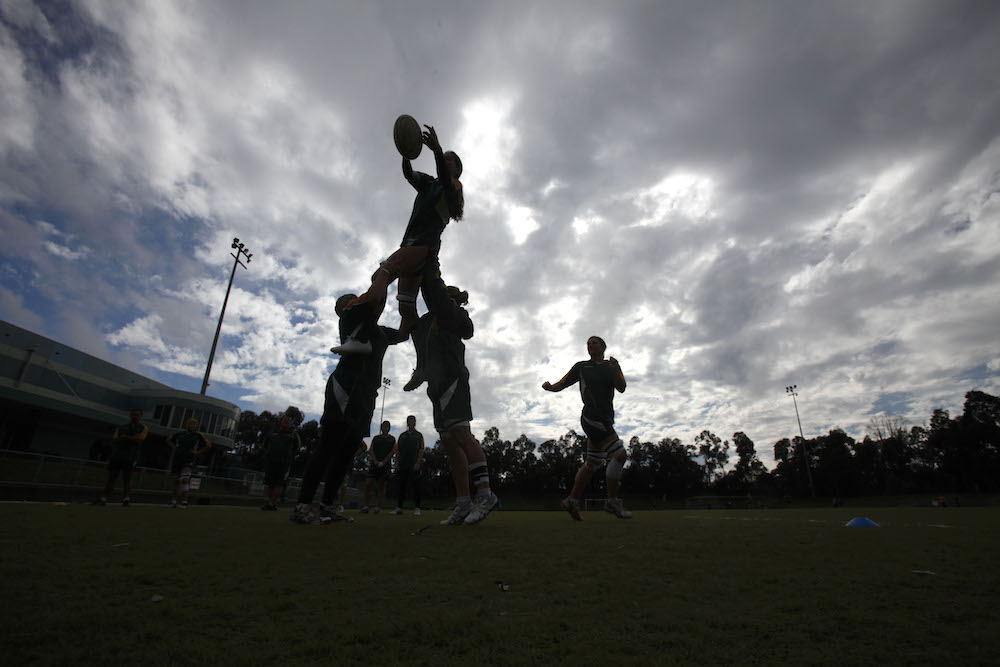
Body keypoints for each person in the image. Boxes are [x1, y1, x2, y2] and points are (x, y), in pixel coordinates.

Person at [331, 124, 464, 357]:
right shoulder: (429, 183)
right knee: (406, 308)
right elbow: (408, 174)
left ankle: (360, 335)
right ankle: (417, 357)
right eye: (445, 158)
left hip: (422, 246)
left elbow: (444, 177)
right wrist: (406, 153)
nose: (445, 160)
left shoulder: (453, 186)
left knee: (381, 275)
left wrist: (436, 150)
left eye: (450, 159)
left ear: (457, 169)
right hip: (412, 245)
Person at [291, 294, 402, 524]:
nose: (357, 301)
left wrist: (410, 303)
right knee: (328, 445)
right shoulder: (350, 317)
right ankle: (302, 506)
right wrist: (387, 270)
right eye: (352, 301)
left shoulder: (377, 330)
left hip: (366, 393)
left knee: (346, 453)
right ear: (344, 309)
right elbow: (375, 296)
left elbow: (403, 333)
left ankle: (327, 506)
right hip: (346, 384)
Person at [414, 259, 499, 526]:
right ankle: (463, 501)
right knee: (450, 445)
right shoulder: (426, 323)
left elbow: (468, 330)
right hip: (435, 386)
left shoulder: (455, 316)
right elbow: (421, 353)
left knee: (462, 434)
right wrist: (419, 375)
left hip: (453, 380)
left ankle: (485, 494)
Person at [542, 336, 632, 520]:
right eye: (588, 344)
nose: (590, 345)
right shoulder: (582, 366)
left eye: (594, 343)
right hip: (592, 418)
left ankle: (572, 501)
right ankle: (612, 501)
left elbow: (622, 387)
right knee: (621, 455)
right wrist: (550, 387)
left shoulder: (611, 366)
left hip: (606, 419)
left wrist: (615, 370)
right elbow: (564, 382)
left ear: (603, 347)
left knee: (592, 463)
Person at [93, 408, 148, 506]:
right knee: (112, 477)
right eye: (133, 414)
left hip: (131, 456)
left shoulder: (143, 428)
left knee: (127, 478)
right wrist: (124, 438)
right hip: (117, 455)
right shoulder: (121, 427)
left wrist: (125, 437)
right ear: (130, 415)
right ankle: (104, 498)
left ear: (141, 416)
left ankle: (126, 499)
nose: (135, 416)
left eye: (137, 415)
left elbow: (140, 439)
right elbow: (114, 440)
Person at [166, 418, 211, 508]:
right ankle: (174, 501)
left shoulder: (198, 435)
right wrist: (175, 447)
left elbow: (208, 445)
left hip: (189, 459)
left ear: (196, 426)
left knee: (185, 480)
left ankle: (184, 501)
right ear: (186, 424)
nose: (191, 425)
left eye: (194, 424)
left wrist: (198, 452)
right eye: (190, 423)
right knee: (177, 480)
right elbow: (168, 440)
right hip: (178, 458)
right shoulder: (180, 434)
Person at [261, 414, 300, 511]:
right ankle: (270, 502)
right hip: (271, 461)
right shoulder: (273, 432)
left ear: (291, 423)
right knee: (270, 482)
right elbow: (265, 444)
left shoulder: (293, 434)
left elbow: (297, 447)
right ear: (281, 421)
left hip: (284, 463)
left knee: (279, 482)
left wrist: (290, 456)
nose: (286, 422)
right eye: (284, 420)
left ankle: (272, 503)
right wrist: (268, 454)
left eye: (288, 421)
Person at [360, 420, 396, 514]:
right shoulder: (376, 438)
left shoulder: (392, 439)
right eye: (384, 426)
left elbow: (393, 451)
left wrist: (384, 462)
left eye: (387, 426)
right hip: (374, 464)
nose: (385, 428)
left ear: (389, 428)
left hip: (385, 465)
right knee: (368, 483)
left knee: (382, 485)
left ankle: (378, 507)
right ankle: (366, 506)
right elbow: (371, 450)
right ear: (381, 428)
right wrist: (375, 461)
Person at [392, 415, 425, 516]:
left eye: (412, 420)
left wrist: (418, 463)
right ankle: (399, 507)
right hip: (403, 464)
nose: (410, 422)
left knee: (416, 486)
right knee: (401, 486)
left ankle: (417, 508)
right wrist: (396, 463)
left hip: (414, 464)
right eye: (408, 420)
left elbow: (421, 449)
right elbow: (398, 450)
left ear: (415, 422)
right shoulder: (402, 435)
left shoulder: (419, 435)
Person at [337, 439, 368, 512]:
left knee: (343, 484)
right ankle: (328, 504)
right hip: (336, 460)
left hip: (347, 462)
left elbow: (364, 446)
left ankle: (340, 505)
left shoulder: (353, 433)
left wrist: (353, 454)